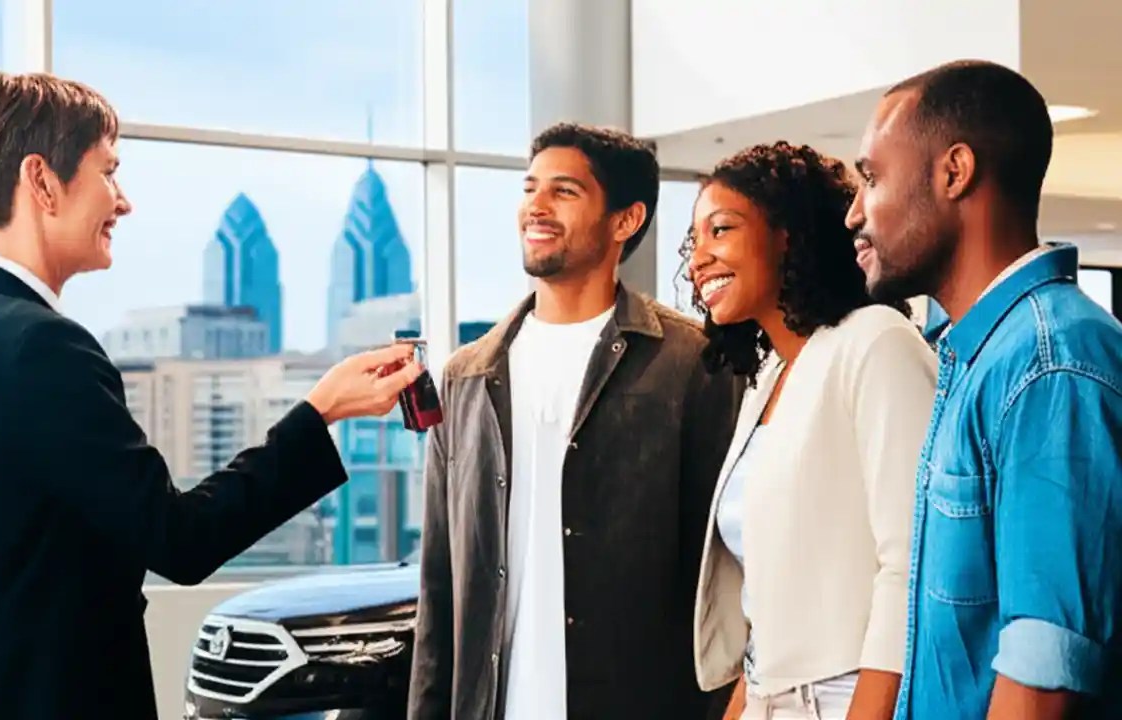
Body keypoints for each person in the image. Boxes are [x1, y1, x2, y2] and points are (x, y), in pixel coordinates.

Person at [0, 70, 423, 720]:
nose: (122, 201)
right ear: (41, 181)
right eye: (108, 171)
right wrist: (321, 412)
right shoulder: (42, 350)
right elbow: (180, 539)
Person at [406, 122, 741, 720]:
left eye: (564, 191)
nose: (536, 205)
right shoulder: (467, 378)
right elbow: (440, 590)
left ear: (625, 220)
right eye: (530, 188)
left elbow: (722, 573)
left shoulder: (694, 362)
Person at [847, 59, 1122, 719]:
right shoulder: (979, 355)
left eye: (872, 177)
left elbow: (1043, 676)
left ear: (955, 171)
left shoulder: (1050, 360)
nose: (856, 212)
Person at [686, 142, 936, 720]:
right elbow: (768, 594)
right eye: (694, 240)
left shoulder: (875, 342)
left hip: (849, 696)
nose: (700, 258)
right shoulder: (769, 374)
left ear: (788, 235)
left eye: (720, 230)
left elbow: (910, 566)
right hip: (770, 694)